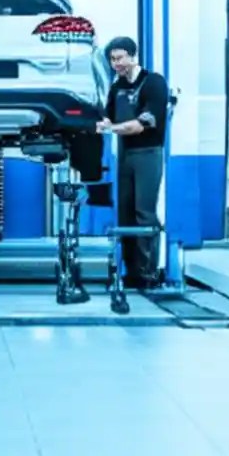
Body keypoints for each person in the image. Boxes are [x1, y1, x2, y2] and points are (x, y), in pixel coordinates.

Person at [97, 36, 169, 290]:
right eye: (112, 60)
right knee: (126, 215)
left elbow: (140, 125)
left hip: (148, 154)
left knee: (144, 213)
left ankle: (149, 273)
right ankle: (132, 272)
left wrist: (110, 128)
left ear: (132, 56)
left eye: (119, 58)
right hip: (125, 156)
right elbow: (105, 116)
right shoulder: (116, 88)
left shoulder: (154, 83)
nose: (115, 64)